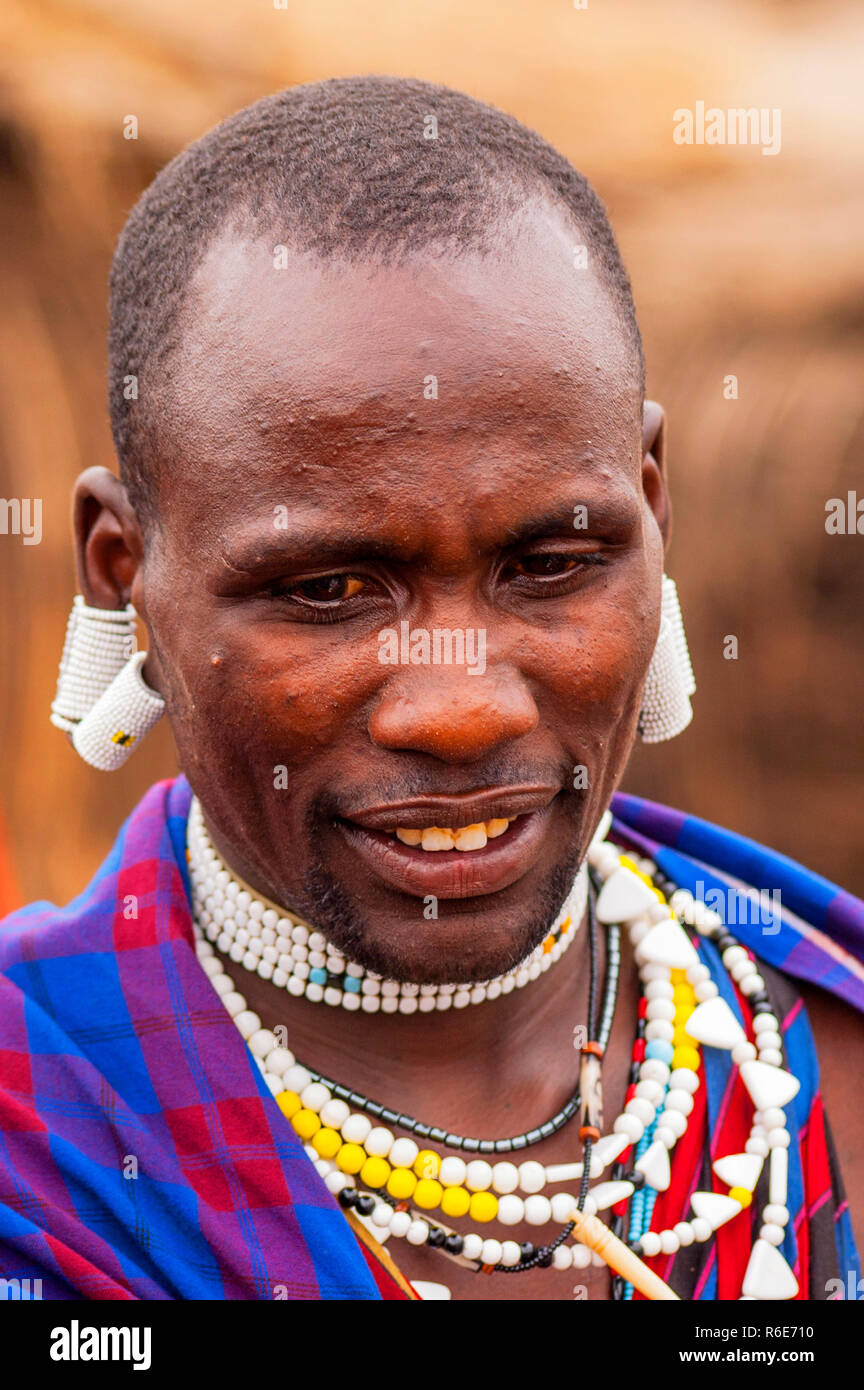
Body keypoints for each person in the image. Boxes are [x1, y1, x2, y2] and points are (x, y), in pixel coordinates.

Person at [1, 76, 862, 1303]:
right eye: (328, 589)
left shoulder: (818, 1046)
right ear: (123, 567)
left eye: (552, 565)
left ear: (652, 507)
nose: (464, 711)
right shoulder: (42, 1141)